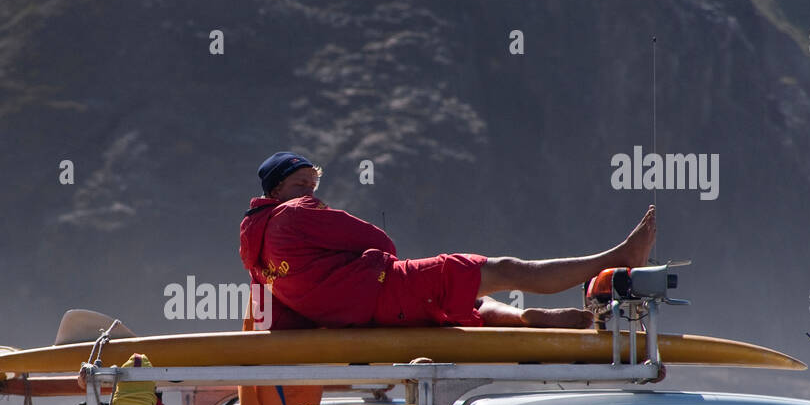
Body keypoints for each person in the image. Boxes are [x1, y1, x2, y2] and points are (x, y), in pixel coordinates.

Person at [240, 152, 656, 330]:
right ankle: (618, 257)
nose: (314, 195)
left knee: (474, 305)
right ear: (277, 190)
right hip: (394, 289)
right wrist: (364, 256)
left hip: (372, 318)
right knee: (508, 270)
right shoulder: (295, 214)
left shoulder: (252, 247)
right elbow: (381, 241)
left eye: (313, 185)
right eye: (302, 184)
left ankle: (526, 319)